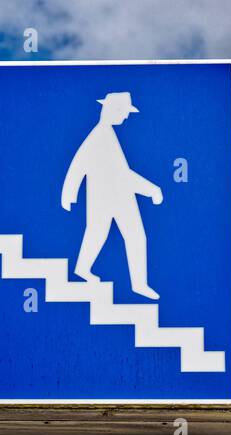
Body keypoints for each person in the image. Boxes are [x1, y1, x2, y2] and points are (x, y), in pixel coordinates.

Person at [61, 91, 162, 300]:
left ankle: (137, 284)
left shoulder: (106, 134)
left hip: (116, 197)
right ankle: (87, 270)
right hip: (109, 198)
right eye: (125, 112)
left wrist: (70, 193)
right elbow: (81, 164)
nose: (126, 117)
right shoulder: (101, 135)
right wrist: (151, 189)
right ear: (114, 110)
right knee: (108, 233)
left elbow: (85, 166)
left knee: (121, 235)